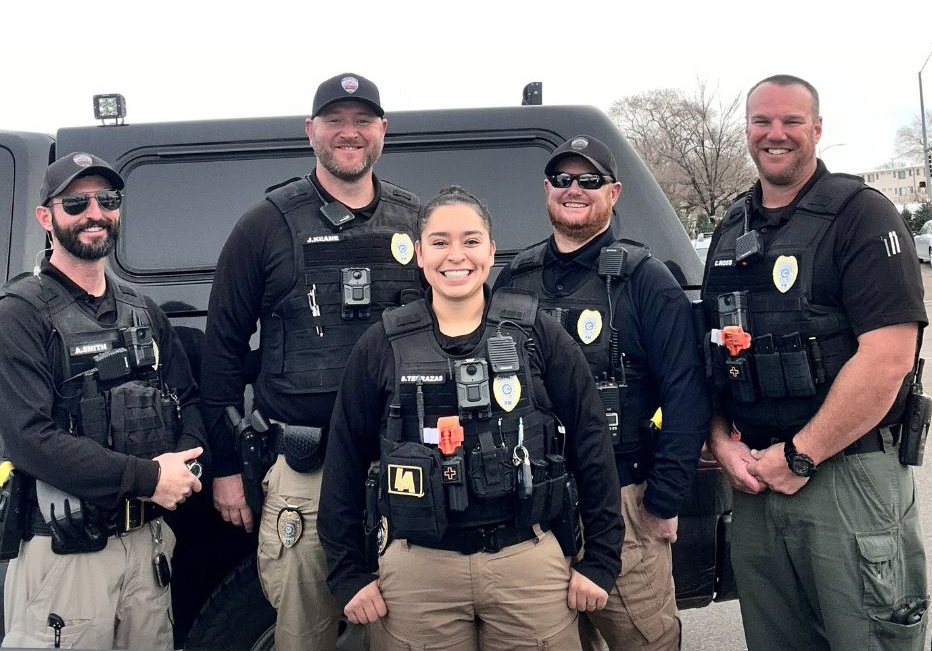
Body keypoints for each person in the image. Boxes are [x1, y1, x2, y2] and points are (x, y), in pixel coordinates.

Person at [319, 185, 623, 651]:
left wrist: (599, 560)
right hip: (418, 571)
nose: (455, 255)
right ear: (419, 254)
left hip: (527, 562)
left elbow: (590, 437)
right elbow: (344, 457)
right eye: (439, 242)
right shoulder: (383, 343)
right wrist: (348, 574)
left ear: (492, 251)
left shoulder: (536, 331)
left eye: (471, 240)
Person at [703, 74, 929, 651]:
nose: (775, 134)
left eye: (791, 121)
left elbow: (888, 358)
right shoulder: (732, 230)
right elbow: (713, 351)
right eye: (762, 121)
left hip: (845, 475)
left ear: (817, 129)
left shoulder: (864, 215)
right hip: (756, 479)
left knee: (868, 640)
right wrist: (721, 441)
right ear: (747, 130)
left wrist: (800, 456)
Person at [200, 73, 422, 651]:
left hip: (404, 463)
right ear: (310, 131)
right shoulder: (265, 225)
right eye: (334, 121)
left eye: (362, 121)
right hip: (306, 471)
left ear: (383, 131)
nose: (349, 133)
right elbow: (222, 348)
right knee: (304, 635)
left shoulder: (417, 224)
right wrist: (226, 470)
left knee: (410, 630)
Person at [495, 135, 710, 650]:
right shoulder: (515, 280)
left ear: (613, 194)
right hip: (536, 508)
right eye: (563, 180)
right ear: (547, 190)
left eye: (589, 181)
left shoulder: (644, 280)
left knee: (644, 640)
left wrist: (663, 499)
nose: (575, 189)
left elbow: (686, 393)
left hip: (622, 501)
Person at [0, 152, 207, 649]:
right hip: (67, 555)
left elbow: (189, 400)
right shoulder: (20, 314)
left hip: (148, 547)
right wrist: (150, 478)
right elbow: (30, 440)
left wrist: (187, 463)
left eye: (107, 199)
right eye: (76, 202)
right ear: (46, 217)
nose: (95, 212)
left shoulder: (142, 310)